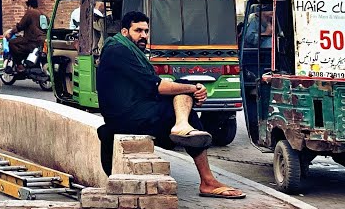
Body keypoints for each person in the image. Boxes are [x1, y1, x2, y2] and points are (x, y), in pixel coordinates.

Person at [97, 11, 245, 200]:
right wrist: (193, 89)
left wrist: (190, 89)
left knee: (181, 89)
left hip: (135, 109)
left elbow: (154, 85)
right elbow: (157, 86)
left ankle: (183, 126)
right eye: (138, 31)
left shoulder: (126, 49)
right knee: (183, 95)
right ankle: (206, 179)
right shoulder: (118, 50)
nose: (144, 36)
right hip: (125, 117)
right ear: (125, 31)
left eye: (146, 31)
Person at [6, 0, 45, 65]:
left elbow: (20, 26)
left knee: (12, 43)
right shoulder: (44, 15)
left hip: (32, 41)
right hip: (43, 41)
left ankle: (19, 65)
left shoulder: (30, 12)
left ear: (29, 6)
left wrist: (11, 33)